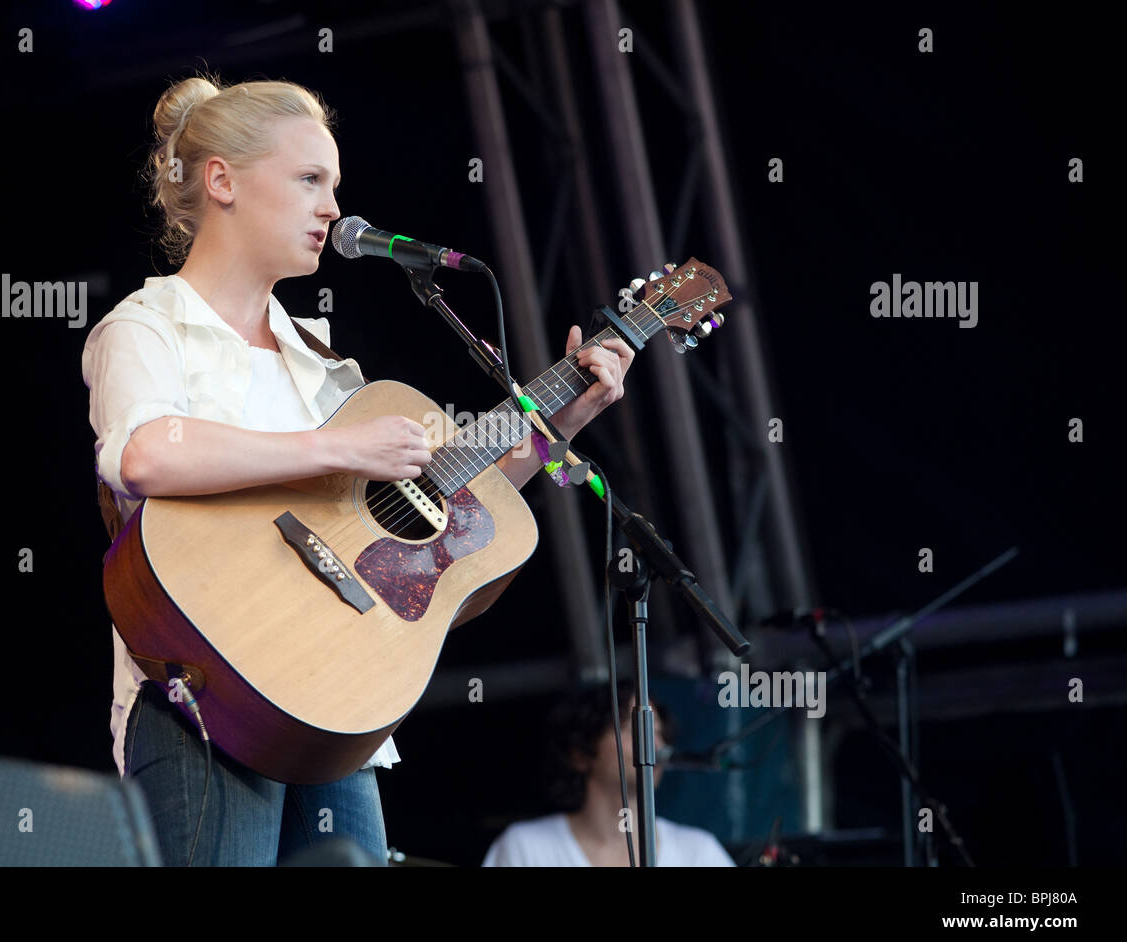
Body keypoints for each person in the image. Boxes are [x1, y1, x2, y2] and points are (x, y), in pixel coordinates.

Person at [81, 73, 635, 866]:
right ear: (223, 181)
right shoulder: (144, 327)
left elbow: (438, 510)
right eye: (310, 179)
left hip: (334, 699)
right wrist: (340, 449)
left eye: (334, 185)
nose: (333, 209)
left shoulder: (323, 362)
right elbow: (145, 455)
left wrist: (562, 421)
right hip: (206, 687)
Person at [483, 681, 735, 866]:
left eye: (658, 733)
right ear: (580, 754)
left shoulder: (698, 852)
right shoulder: (525, 848)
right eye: (632, 728)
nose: (654, 744)